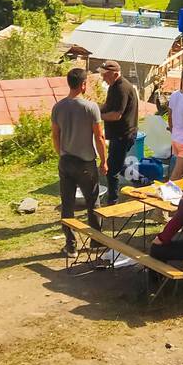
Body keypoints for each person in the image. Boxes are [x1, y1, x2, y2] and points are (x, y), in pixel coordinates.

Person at [52, 67, 108, 258]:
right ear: (83, 85)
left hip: (66, 161)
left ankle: (71, 245)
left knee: (66, 204)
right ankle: (96, 242)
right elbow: (99, 136)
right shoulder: (90, 108)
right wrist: (104, 160)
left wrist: (61, 153)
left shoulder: (58, 107)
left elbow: (55, 134)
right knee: (93, 202)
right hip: (86, 163)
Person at [98, 60, 139, 205]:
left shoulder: (122, 88)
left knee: (112, 170)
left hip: (123, 135)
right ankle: (141, 181)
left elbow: (116, 115)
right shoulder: (114, 86)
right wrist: (96, 108)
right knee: (118, 165)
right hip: (118, 135)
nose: (103, 78)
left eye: (105, 75)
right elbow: (109, 106)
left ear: (115, 74)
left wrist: (97, 117)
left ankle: (112, 201)